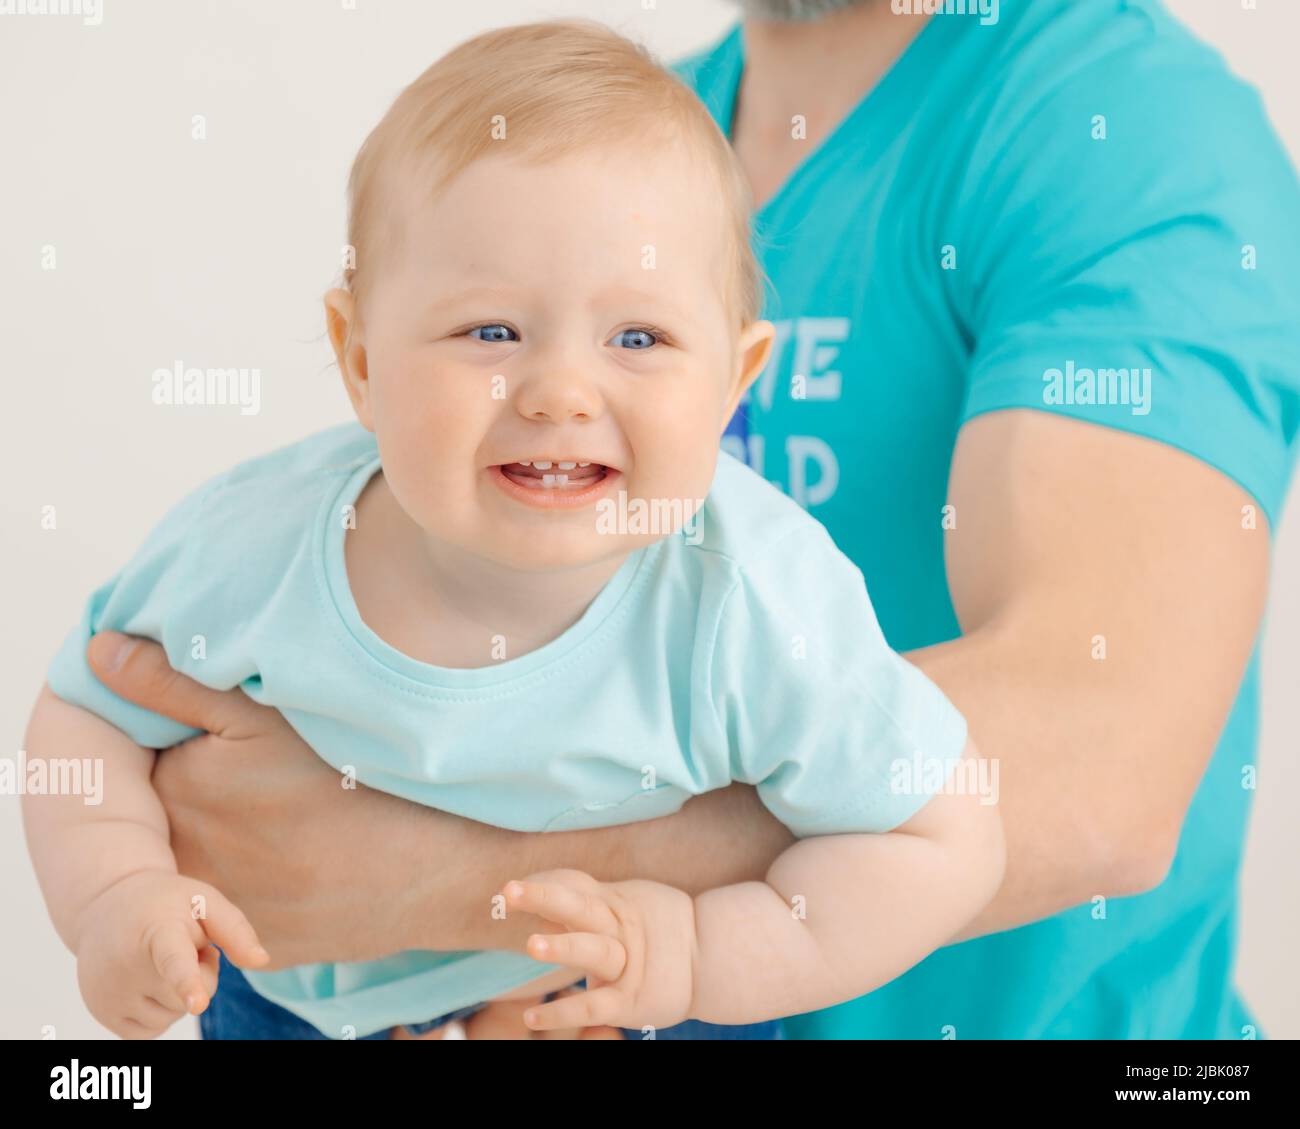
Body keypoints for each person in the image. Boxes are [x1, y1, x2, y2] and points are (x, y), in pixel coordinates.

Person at [73, 0, 1300, 1039]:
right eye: (494, 331)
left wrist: (435, 878)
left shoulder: (1111, 126)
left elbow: (1102, 767)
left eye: (639, 340)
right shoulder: (609, 134)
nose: (562, 390)